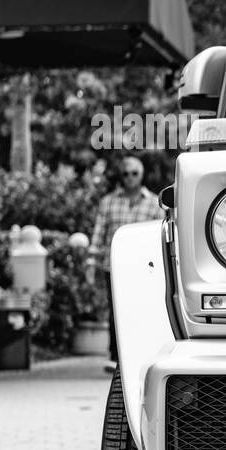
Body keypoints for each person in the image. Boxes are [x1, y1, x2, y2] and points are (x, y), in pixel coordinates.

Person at [90, 155, 163, 370]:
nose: (130, 177)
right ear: (120, 177)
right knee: (116, 312)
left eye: (134, 173)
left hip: (144, 267)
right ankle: (115, 358)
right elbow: (98, 233)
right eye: (125, 173)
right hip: (113, 267)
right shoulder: (108, 202)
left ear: (141, 175)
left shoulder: (152, 203)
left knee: (144, 310)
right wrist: (90, 262)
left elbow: (159, 233)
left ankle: (142, 356)